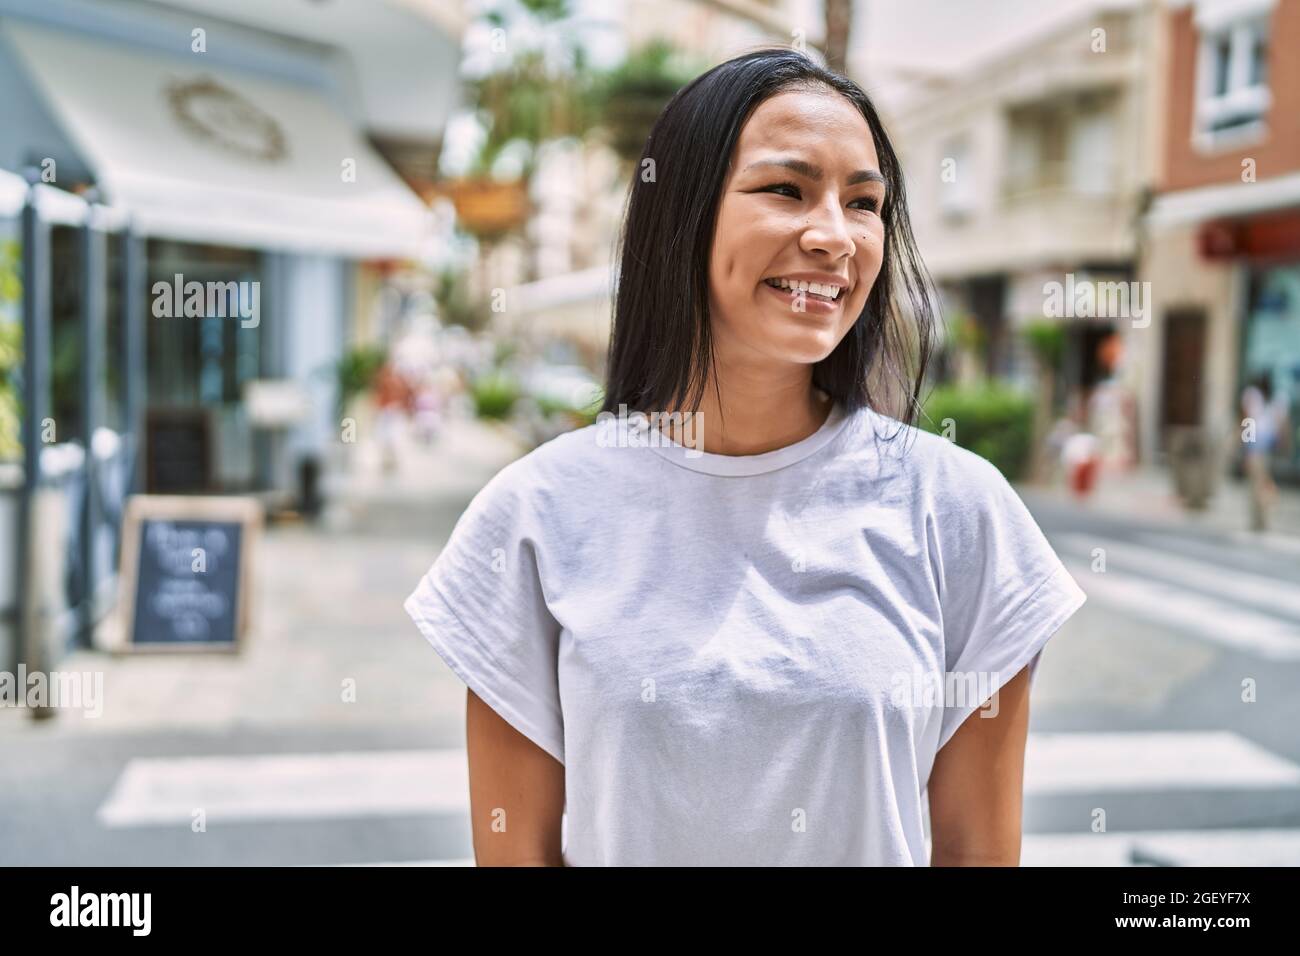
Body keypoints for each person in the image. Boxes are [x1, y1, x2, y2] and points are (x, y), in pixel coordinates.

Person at [404, 49, 1087, 867]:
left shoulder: (961, 510)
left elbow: (976, 852)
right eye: (785, 189)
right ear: (684, 214)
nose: (834, 235)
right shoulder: (536, 515)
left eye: (864, 203)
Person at [1240, 374, 1290, 531]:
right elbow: (1281, 426)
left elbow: (1248, 422)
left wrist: (1247, 447)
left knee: (1257, 485)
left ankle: (1258, 520)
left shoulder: (1255, 397)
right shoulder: (1274, 400)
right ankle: (1260, 520)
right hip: (1266, 447)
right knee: (1261, 484)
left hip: (1257, 447)